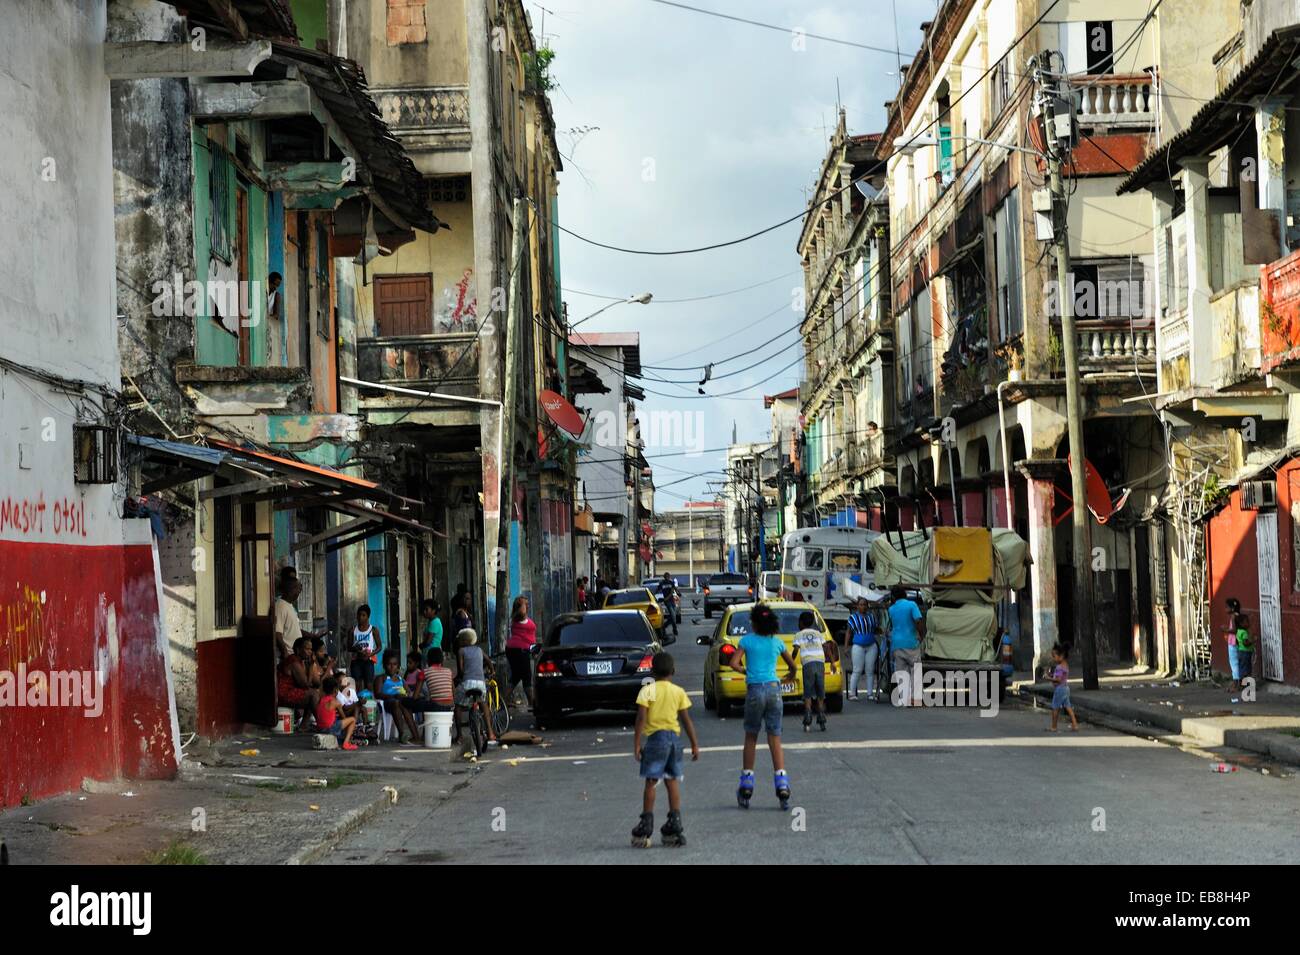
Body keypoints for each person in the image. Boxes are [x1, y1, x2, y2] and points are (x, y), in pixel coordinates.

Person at [729, 602, 799, 810]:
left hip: (755, 690)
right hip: (773, 689)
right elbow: (793, 666)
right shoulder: (777, 643)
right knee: (774, 737)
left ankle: (747, 785)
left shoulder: (747, 641)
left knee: (751, 736)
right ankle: (782, 784)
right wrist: (790, 676)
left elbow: (733, 663)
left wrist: (746, 672)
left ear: (754, 623)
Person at [631, 653, 699, 848]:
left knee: (651, 782)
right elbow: (686, 720)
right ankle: (675, 822)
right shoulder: (678, 692)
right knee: (671, 781)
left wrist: (637, 742)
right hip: (674, 741)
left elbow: (641, 718)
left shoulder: (648, 690)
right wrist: (694, 744)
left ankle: (646, 823)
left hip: (655, 740)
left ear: (652, 671)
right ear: (673, 671)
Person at [793, 610, 837, 731]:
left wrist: (791, 662)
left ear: (801, 623)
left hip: (808, 664)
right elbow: (827, 648)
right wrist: (832, 662)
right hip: (820, 663)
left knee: (808, 691)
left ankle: (808, 715)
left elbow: (796, 650)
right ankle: (821, 714)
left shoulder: (799, 635)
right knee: (820, 690)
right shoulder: (818, 634)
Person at [455, 628, 498, 747]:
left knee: (458, 706)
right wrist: (492, 671)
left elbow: (461, 671)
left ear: (463, 640)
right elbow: (488, 660)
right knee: (484, 705)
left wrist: (457, 679)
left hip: (467, 683)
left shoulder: (461, 651)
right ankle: (490, 733)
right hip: (480, 683)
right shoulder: (479, 650)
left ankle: (459, 735)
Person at [887, 585, 925, 707]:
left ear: (893, 597)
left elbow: (894, 625)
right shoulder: (912, 605)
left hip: (897, 644)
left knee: (902, 673)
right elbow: (918, 621)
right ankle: (916, 699)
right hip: (911, 642)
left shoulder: (891, 609)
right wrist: (921, 634)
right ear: (905, 594)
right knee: (915, 671)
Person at [371, 650, 420, 744]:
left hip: (401, 702)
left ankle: (416, 736)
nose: (392, 667)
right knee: (396, 702)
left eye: (394, 664)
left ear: (398, 665)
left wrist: (406, 695)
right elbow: (378, 694)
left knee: (405, 703)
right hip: (388, 703)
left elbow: (408, 692)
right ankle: (402, 733)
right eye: (389, 664)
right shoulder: (381, 678)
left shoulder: (401, 679)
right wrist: (394, 695)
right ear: (384, 665)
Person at [277, 636, 320, 731]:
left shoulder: (300, 661)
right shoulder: (293, 661)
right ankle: (322, 724)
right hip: (283, 694)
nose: (310, 652)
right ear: (298, 649)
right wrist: (311, 665)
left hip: (289, 691)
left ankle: (304, 725)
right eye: (307, 649)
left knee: (313, 693)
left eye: (311, 649)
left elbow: (315, 683)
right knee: (312, 695)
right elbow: (305, 684)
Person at [505, 595, 537, 710]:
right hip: (519, 651)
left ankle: (505, 700)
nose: (528, 606)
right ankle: (532, 703)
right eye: (525, 604)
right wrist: (520, 606)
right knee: (527, 677)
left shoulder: (517, 618)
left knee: (516, 676)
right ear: (519, 607)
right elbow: (521, 613)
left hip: (516, 650)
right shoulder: (519, 617)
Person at [845, 597, 878, 702]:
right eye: (861, 605)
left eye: (864, 605)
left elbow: (876, 629)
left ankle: (869, 693)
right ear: (857, 606)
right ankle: (852, 693)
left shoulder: (871, 617)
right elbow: (849, 632)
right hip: (858, 646)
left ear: (867, 606)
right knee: (857, 670)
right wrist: (846, 647)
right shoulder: (853, 618)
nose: (863, 607)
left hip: (871, 645)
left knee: (870, 670)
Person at [315, 676, 358, 750]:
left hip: (320, 728)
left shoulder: (320, 700)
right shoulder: (336, 702)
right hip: (329, 729)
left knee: (337, 722)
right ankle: (346, 743)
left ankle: (342, 740)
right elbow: (344, 717)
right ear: (335, 690)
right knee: (352, 720)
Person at [1222, 597, 1255, 692]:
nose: (1225, 609)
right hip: (1237, 643)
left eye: (1227, 607)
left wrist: (1225, 630)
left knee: (1234, 663)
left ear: (1232, 608)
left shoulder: (1233, 617)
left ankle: (1236, 683)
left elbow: (1234, 630)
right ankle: (1238, 683)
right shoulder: (1238, 616)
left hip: (1233, 642)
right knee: (1239, 664)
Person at [1046, 642, 1079, 732]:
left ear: (1061, 655)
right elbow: (1060, 677)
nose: (1053, 658)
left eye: (1054, 655)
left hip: (1060, 689)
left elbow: (1058, 680)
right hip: (1066, 688)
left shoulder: (1059, 667)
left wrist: (1048, 678)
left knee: (1055, 708)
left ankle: (1054, 726)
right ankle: (1075, 724)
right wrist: (1052, 676)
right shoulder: (1065, 665)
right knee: (1068, 707)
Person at [273, 572, 304, 663]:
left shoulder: (289, 605)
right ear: (292, 589)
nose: (299, 592)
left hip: (294, 655)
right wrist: (285, 652)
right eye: (299, 588)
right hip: (289, 656)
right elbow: (277, 633)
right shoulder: (280, 606)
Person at [349, 604, 381, 689]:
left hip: (368, 661)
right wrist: (358, 650)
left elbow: (379, 647)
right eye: (359, 615)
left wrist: (370, 654)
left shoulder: (373, 630)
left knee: (369, 685)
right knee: (357, 685)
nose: (360, 617)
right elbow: (349, 647)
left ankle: (369, 702)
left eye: (363, 615)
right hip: (356, 661)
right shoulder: (352, 630)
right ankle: (359, 701)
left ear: (368, 616)